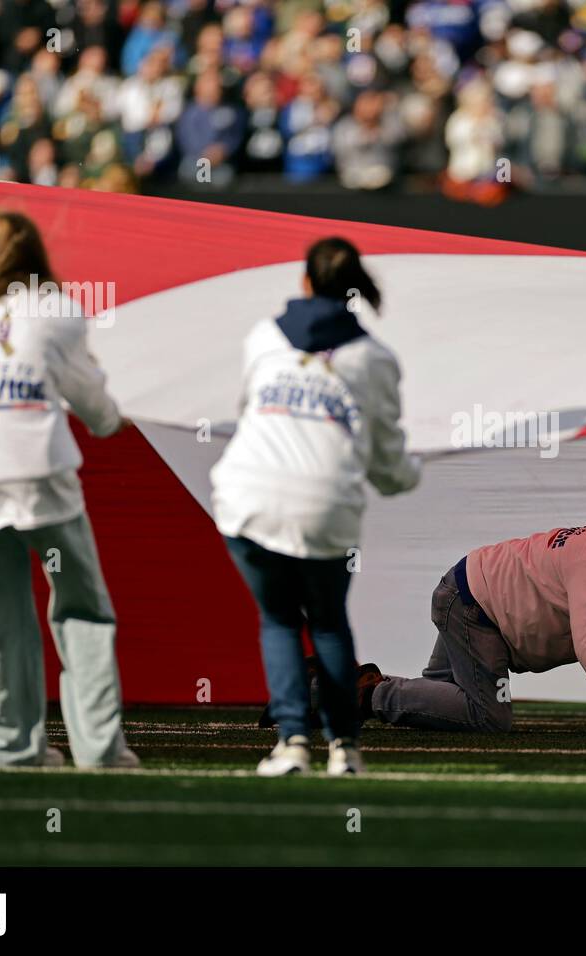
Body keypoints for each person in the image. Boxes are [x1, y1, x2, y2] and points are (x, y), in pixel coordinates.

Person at [0, 208, 137, 769]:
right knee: (81, 609)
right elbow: (95, 407)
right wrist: (119, 418)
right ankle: (100, 750)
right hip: (40, 478)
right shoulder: (59, 312)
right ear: (36, 255)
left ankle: (4, 751)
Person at [210, 237, 420, 777]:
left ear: (304, 282)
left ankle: (292, 744)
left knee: (279, 619)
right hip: (324, 504)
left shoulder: (263, 338)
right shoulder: (374, 357)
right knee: (327, 623)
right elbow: (388, 465)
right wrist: (410, 473)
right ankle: (344, 749)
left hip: (250, 496)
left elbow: (247, 412)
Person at [365, 493, 586, 736]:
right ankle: (367, 695)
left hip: (474, 589)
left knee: (440, 701)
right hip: (475, 603)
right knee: (488, 716)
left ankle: (329, 690)